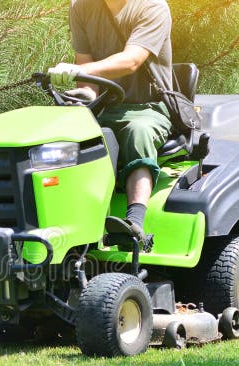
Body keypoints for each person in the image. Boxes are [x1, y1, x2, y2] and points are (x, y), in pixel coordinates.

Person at [48, 0, 173, 243]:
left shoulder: (153, 7)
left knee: (138, 131)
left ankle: (134, 222)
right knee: (63, 135)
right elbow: (86, 68)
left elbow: (131, 61)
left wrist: (78, 71)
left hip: (148, 107)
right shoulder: (81, 7)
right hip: (105, 105)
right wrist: (85, 95)